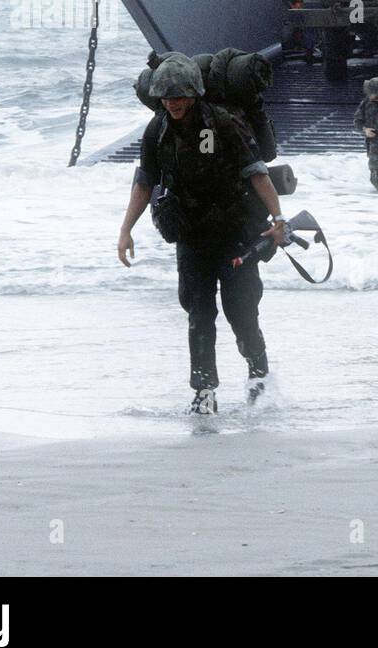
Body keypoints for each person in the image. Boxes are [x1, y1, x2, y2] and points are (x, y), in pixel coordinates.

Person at [116, 54, 287, 415]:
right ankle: (204, 391)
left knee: (241, 312)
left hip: (234, 232)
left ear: (195, 93)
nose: (173, 103)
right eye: (166, 96)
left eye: (180, 96)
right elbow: (145, 181)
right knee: (198, 314)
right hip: (192, 237)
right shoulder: (157, 130)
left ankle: (259, 377)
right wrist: (125, 229)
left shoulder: (223, 123)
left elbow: (256, 171)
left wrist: (278, 217)